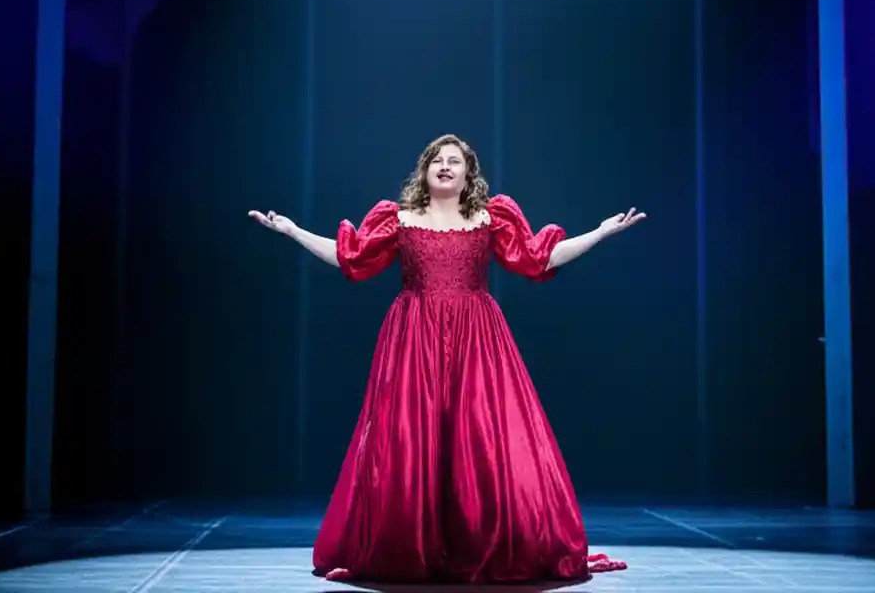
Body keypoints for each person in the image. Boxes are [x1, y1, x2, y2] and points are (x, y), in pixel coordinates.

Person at [248, 134, 643, 583]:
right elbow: (349, 258)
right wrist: (292, 230)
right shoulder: (398, 219)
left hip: (477, 338)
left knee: (482, 438)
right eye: (437, 159)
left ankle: (479, 540)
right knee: (409, 440)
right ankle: (409, 545)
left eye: (455, 160)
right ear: (424, 170)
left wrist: (600, 232)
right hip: (414, 338)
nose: (445, 166)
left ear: (468, 173)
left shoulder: (489, 218)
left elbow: (539, 257)